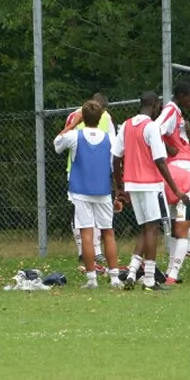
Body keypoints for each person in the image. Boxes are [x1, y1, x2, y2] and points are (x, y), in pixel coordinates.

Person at [112, 91, 189, 291]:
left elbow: (115, 157)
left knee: (146, 227)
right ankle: (148, 279)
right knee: (153, 229)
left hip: (131, 184)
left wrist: (119, 187)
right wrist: (177, 190)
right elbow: (160, 161)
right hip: (150, 184)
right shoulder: (152, 127)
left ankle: (131, 272)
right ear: (155, 105)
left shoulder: (126, 125)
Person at [54, 100, 122, 289]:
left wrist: (73, 124)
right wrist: (118, 191)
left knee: (87, 234)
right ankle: (115, 277)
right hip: (103, 191)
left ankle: (92, 278)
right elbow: (115, 165)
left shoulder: (74, 136)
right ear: (101, 117)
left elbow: (57, 143)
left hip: (80, 191)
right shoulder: (110, 138)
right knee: (108, 233)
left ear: (82, 117)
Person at [64, 93, 115, 267]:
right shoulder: (79, 115)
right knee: (97, 222)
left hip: (85, 173)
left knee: (85, 219)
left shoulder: (79, 116)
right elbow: (113, 148)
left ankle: (92, 253)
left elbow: (62, 139)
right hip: (89, 173)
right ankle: (89, 252)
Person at [156, 80, 190, 260]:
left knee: (178, 209)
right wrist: (166, 148)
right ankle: (184, 244)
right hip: (178, 164)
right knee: (185, 205)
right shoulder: (170, 110)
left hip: (183, 162)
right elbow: (155, 129)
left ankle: (178, 250)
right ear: (180, 96)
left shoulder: (178, 112)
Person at [162, 165, 190, 285]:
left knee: (181, 232)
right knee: (174, 232)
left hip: (188, 189)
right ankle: (169, 271)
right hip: (173, 194)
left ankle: (173, 274)